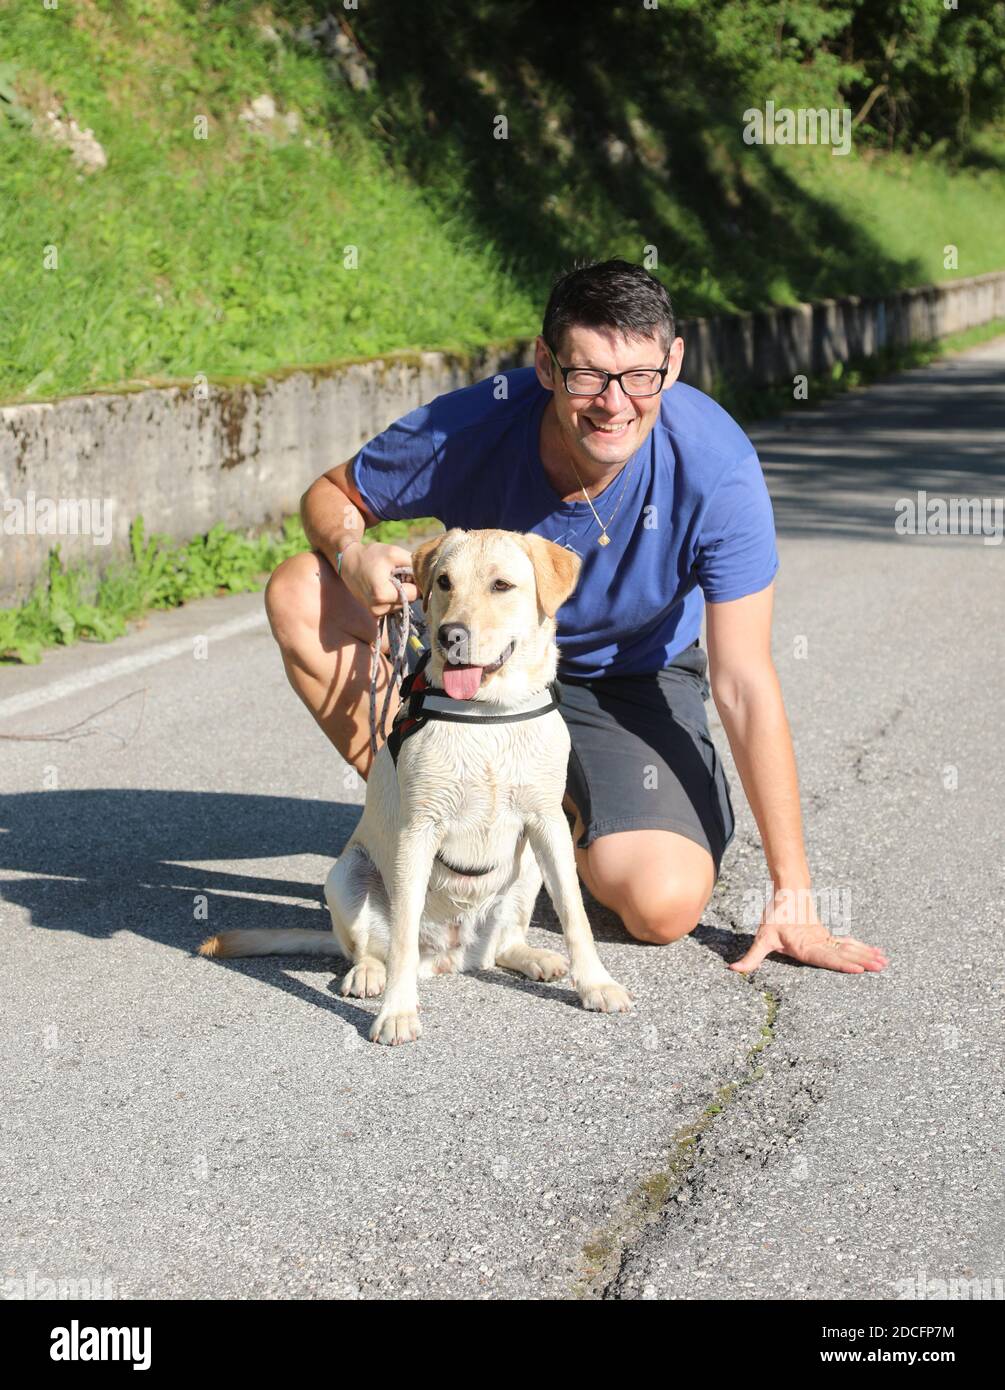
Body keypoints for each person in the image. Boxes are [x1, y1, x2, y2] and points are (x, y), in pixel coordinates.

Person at [266, 259, 887, 976]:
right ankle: (429, 821)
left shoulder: (716, 466)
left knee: (662, 906)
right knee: (298, 590)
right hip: (473, 662)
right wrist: (350, 553)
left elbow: (744, 679)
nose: (612, 403)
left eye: (639, 376)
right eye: (587, 374)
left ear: (672, 363)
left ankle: (553, 818)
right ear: (545, 364)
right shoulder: (471, 424)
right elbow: (331, 493)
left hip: (628, 682)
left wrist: (794, 892)